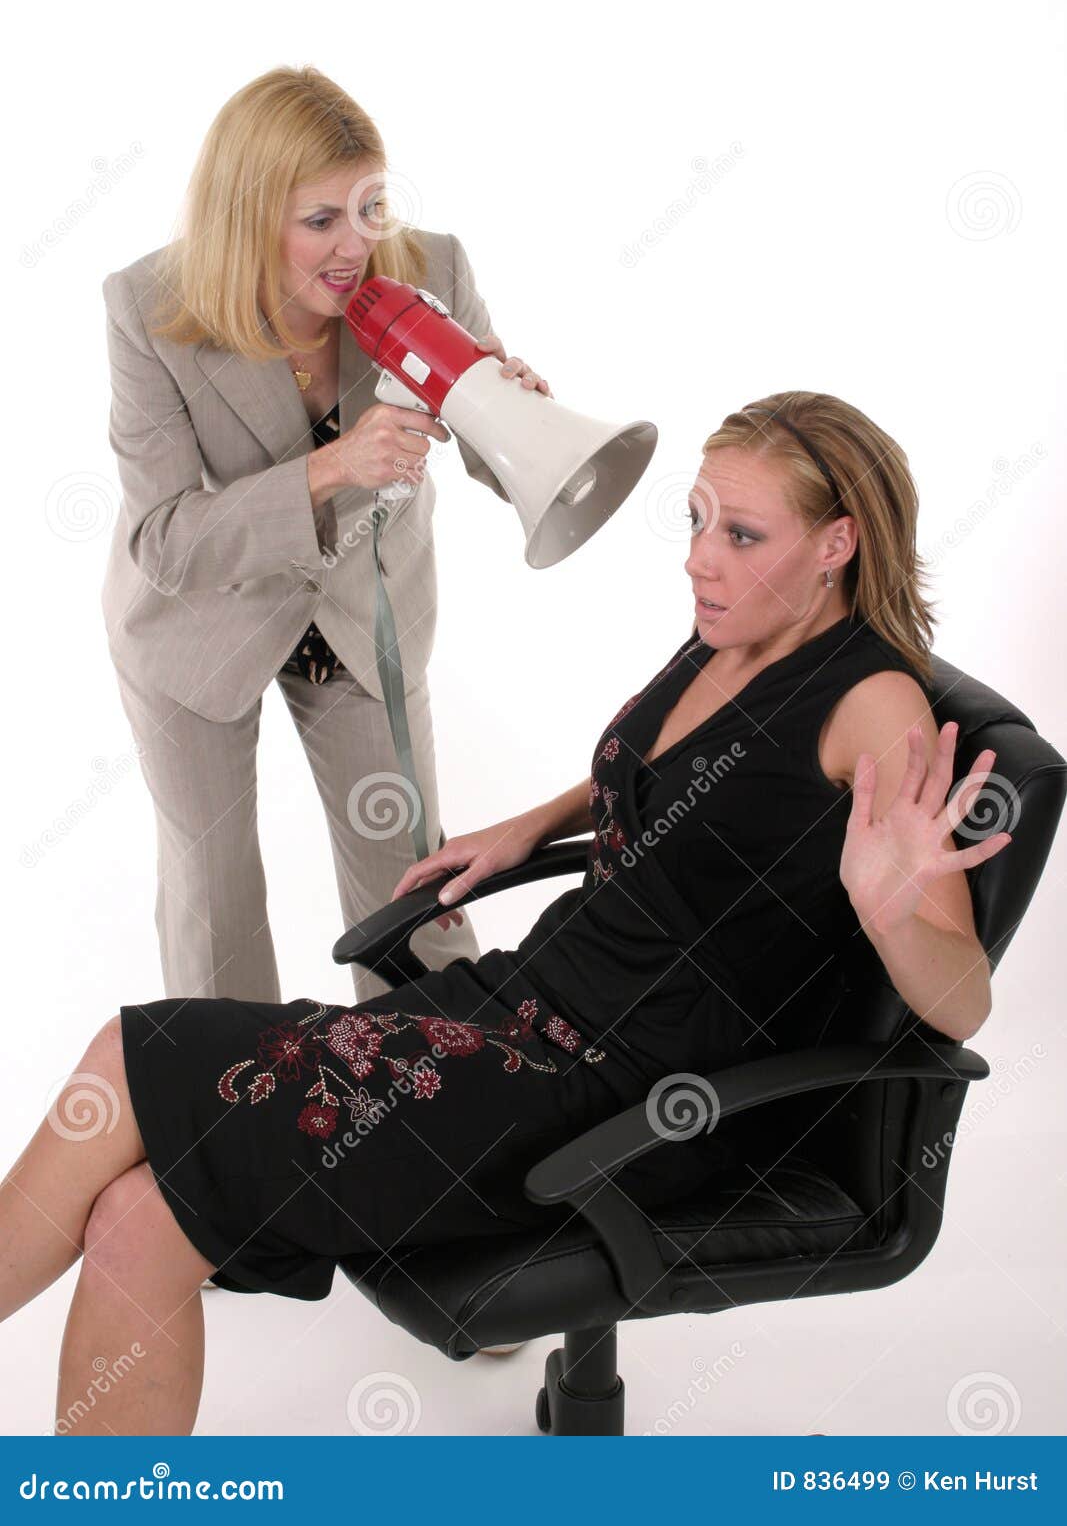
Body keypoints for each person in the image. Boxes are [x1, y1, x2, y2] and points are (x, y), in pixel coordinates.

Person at [3, 391, 1009, 1435]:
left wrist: (888, 908)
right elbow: (680, 773)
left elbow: (963, 1001)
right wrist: (532, 824)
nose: (699, 558)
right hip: (522, 1007)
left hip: (617, 1094)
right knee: (136, 1214)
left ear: (835, 544)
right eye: (696, 520)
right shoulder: (733, 629)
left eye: (740, 533)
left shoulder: (873, 706)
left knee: (130, 1055)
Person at [100, 64, 551, 1004]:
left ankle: (432, 1097)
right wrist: (331, 467)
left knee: (414, 891)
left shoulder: (432, 269)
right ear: (246, 219)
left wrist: (514, 419)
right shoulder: (149, 311)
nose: (359, 246)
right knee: (213, 898)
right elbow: (164, 541)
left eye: (372, 205)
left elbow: (486, 457)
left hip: (359, 611)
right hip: (198, 625)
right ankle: (232, 1119)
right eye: (321, 222)